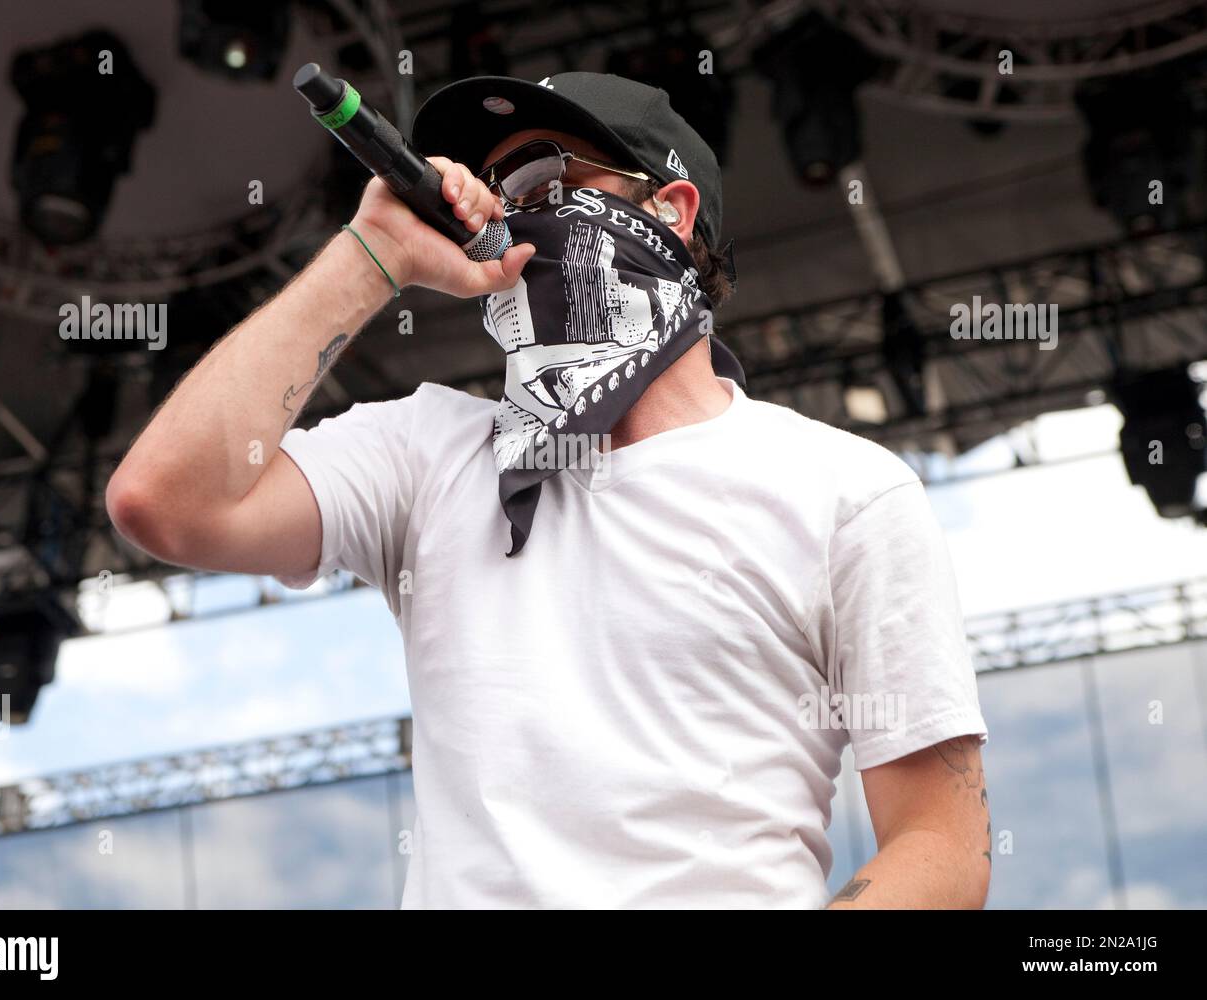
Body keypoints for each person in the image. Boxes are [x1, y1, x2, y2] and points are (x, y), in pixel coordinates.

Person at [107, 72, 991, 909]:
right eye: (497, 191)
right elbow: (167, 503)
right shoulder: (427, 452)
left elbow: (943, 849)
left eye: (542, 178)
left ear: (671, 211)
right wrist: (372, 255)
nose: (510, 210)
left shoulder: (843, 492)